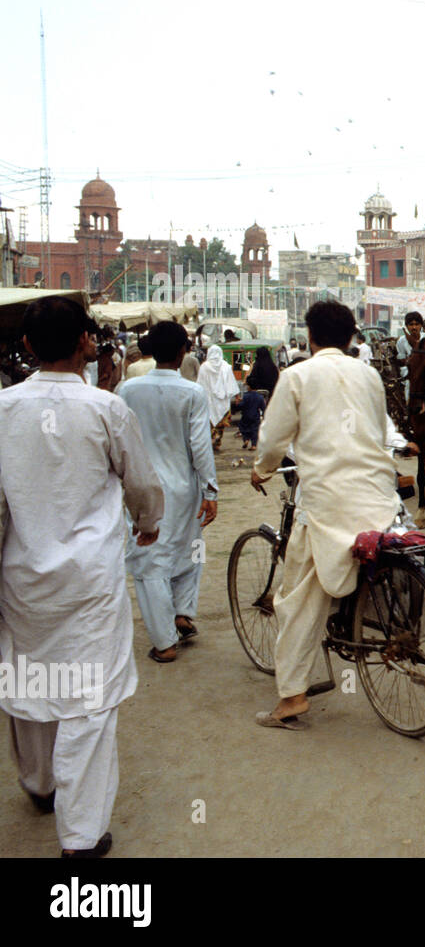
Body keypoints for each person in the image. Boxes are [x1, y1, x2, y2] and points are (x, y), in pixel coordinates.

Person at [0, 295, 164, 857]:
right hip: (90, 582)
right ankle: (81, 836)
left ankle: (41, 785)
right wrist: (149, 523)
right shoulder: (106, 409)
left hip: (21, 578)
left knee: (31, 678)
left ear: (25, 346)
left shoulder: (4, 409)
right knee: (89, 702)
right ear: (85, 344)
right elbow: (141, 484)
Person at [249, 300, 403, 730]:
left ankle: (292, 696)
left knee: (297, 599)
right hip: (378, 496)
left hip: (327, 501)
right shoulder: (369, 374)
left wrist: (262, 469)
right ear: (353, 336)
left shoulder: (298, 375)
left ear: (310, 336)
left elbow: (274, 437)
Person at [117, 321, 219, 664]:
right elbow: (200, 446)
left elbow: (121, 443)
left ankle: (165, 641)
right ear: (182, 352)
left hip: (142, 488)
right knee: (190, 550)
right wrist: (210, 491)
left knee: (150, 563)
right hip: (183, 487)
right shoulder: (192, 393)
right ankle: (182, 614)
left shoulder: (127, 390)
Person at [196, 345, 239, 451]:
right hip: (222, 400)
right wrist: (236, 396)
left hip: (208, 400)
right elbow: (231, 384)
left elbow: (200, 384)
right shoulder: (226, 366)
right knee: (221, 423)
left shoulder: (204, 366)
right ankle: (218, 441)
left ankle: (210, 440)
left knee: (209, 422)